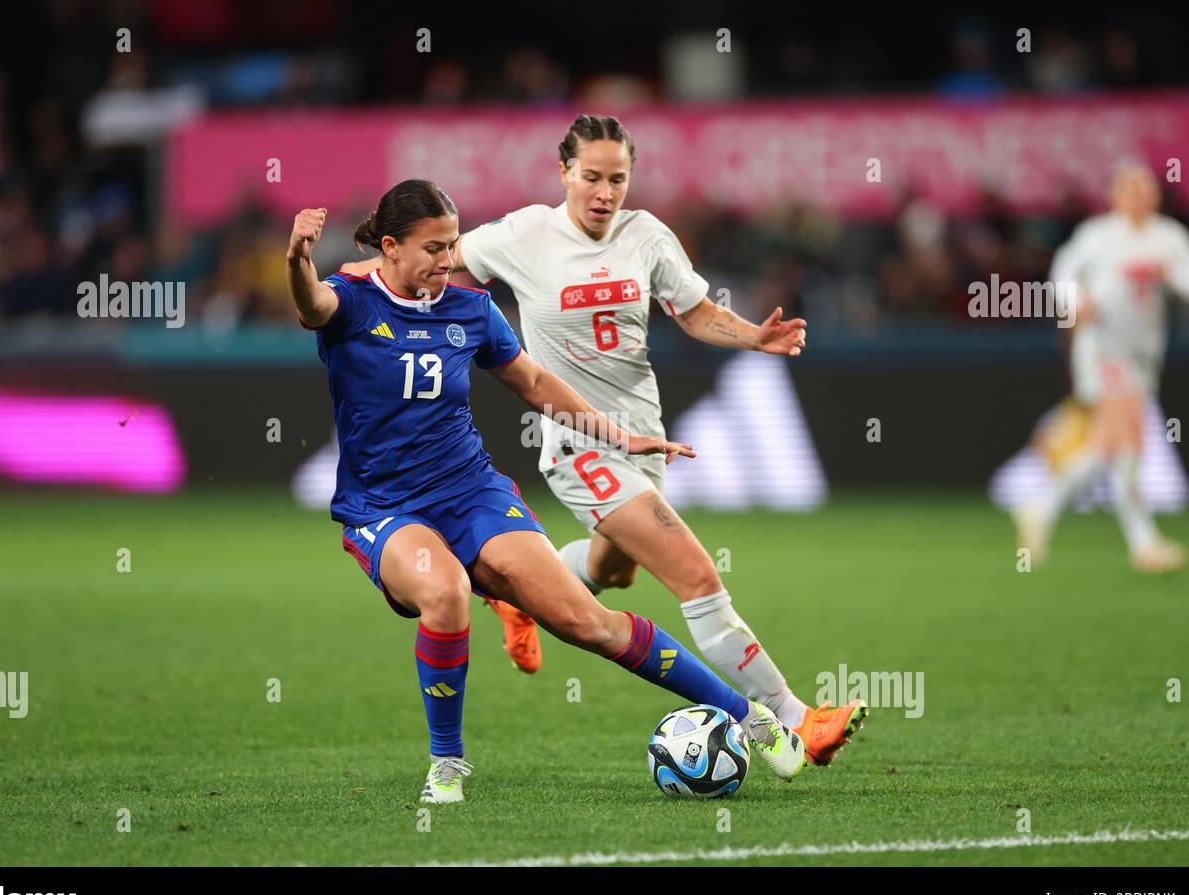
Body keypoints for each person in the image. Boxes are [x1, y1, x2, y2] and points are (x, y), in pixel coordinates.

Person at [343, 116, 865, 767]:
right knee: (696, 574)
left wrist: (753, 336)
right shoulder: (522, 234)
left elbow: (695, 312)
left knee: (615, 570)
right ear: (564, 172)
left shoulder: (646, 236)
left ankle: (512, 592)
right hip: (579, 442)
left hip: (641, 434)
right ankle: (794, 720)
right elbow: (423, 261)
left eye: (617, 178)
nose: (604, 191)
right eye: (591, 176)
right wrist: (353, 278)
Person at [287, 179, 807, 803]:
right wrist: (296, 260)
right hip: (385, 506)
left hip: (471, 492)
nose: (448, 261)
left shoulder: (471, 310)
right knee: (446, 593)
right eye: (433, 248)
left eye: (452, 246)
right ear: (391, 247)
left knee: (589, 623)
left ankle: (753, 718)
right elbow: (312, 304)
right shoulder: (351, 301)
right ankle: (447, 763)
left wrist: (620, 437)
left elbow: (534, 383)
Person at [1014, 161, 1189, 571]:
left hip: (1142, 354)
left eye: (1144, 189)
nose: (1137, 197)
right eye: (1129, 189)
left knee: (1108, 449)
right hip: (1102, 348)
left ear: (1155, 195)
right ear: (1115, 196)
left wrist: (1168, 273)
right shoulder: (1098, 235)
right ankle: (1144, 543)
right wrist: (1075, 303)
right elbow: (1062, 272)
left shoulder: (1169, 238)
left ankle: (1040, 506)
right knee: (1130, 441)